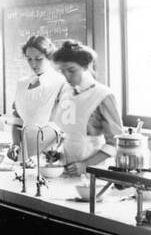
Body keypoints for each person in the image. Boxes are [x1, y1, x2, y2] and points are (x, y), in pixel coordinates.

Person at [44, 40, 123, 175]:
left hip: (92, 171)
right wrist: (57, 152)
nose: (67, 76)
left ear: (85, 67)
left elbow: (115, 143)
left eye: (71, 70)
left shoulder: (103, 95)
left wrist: (86, 165)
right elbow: (67, 133)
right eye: (62, 71)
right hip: (66, 168)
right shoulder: (66, 93)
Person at [9, 35, 66, 152]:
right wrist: (15, 144)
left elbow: (69, 128)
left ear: (49, 57)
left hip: (51, 152)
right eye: (29, 59)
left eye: (39, 59)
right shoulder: (22, 84)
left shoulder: (61, 83)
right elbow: (17, 120)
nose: (33, 64)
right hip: (25, 151)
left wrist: (54, 153)